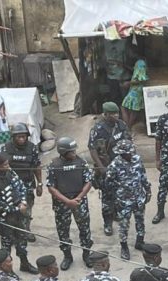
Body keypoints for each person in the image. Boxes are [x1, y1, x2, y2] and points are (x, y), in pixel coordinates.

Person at [0, 152, 38, 274]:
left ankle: (24, 264)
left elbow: (21, 187)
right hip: (4, 219)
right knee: (6, 245)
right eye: (4, 164)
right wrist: (16, 209)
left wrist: (23, 202)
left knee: (22, 242)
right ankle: (7, 271)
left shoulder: (11, 172)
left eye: (7, 163)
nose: (7, 166)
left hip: (19, 216)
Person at [46, 137, 94, 270]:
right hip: (62, 204)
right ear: (63, 152)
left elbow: (88, 182)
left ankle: (86, 254)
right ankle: (67, 256)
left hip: (79, 202)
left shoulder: (81, 162)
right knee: (63, 232)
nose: (74, 153)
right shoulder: (54, 165)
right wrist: (67, 201)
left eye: (74, 151)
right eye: (71, 151)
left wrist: (78, 198)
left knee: (85, 229)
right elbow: (51, 187)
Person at [88, 101, 131, 235]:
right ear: (105, 114)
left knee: (120, 193)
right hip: (106, 166)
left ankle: (116, 213)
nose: (116, 115)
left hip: (120, 165)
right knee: (107, 196)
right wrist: (100, 167)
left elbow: (129, 142)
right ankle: (108, 223)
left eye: (117, 112)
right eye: (112, 114)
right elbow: (92, 148)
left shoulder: (121, 125)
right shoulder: (98, 129)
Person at [106, 139, 151, 260]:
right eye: (128, 152)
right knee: (124, 224)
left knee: (140, 220)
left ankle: (140, 241)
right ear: (122, 153)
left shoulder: (137, 159)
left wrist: (148, 190)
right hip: (124, 200)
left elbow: (143, 176)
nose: (131, 153)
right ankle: (124, 246)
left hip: (139, 197)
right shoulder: (115, 164)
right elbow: (108, 182)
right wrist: (116, 196)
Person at [3, 122, 41, 242]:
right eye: (18, 136)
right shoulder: (6, 148)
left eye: (23, 136)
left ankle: (26, 230)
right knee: (12, 209)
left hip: (27, 183)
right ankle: (13, 233)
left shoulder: (32, 148)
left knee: (27, 209)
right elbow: (0, 167)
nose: (21, 139)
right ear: (13, 137)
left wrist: (40, 184)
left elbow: (36, 166)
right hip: (10, 185)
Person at [121, 58, 148, 130]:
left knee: (124, 107)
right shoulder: (141, 63)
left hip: (135, 91)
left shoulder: (140, 62)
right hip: (137, 91)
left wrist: (128, 83)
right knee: (134, 110)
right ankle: (128, 127)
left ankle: (127, 127)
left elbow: (140, 79)